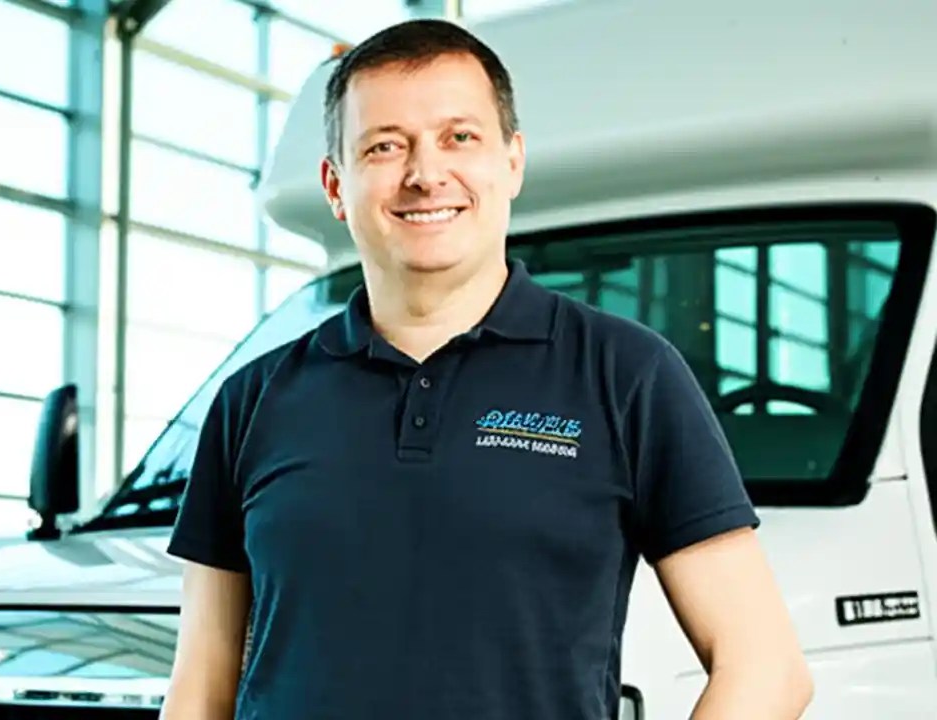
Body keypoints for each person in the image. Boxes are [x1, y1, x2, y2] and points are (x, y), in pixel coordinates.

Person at [159, 18, 813, 720]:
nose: (424, 175)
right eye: (384, 146)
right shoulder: (252, 400)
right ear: (335, 185)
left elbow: (766, 669)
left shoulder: (627, 375)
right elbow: (200, 690)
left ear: (513, 161)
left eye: (459, 137)